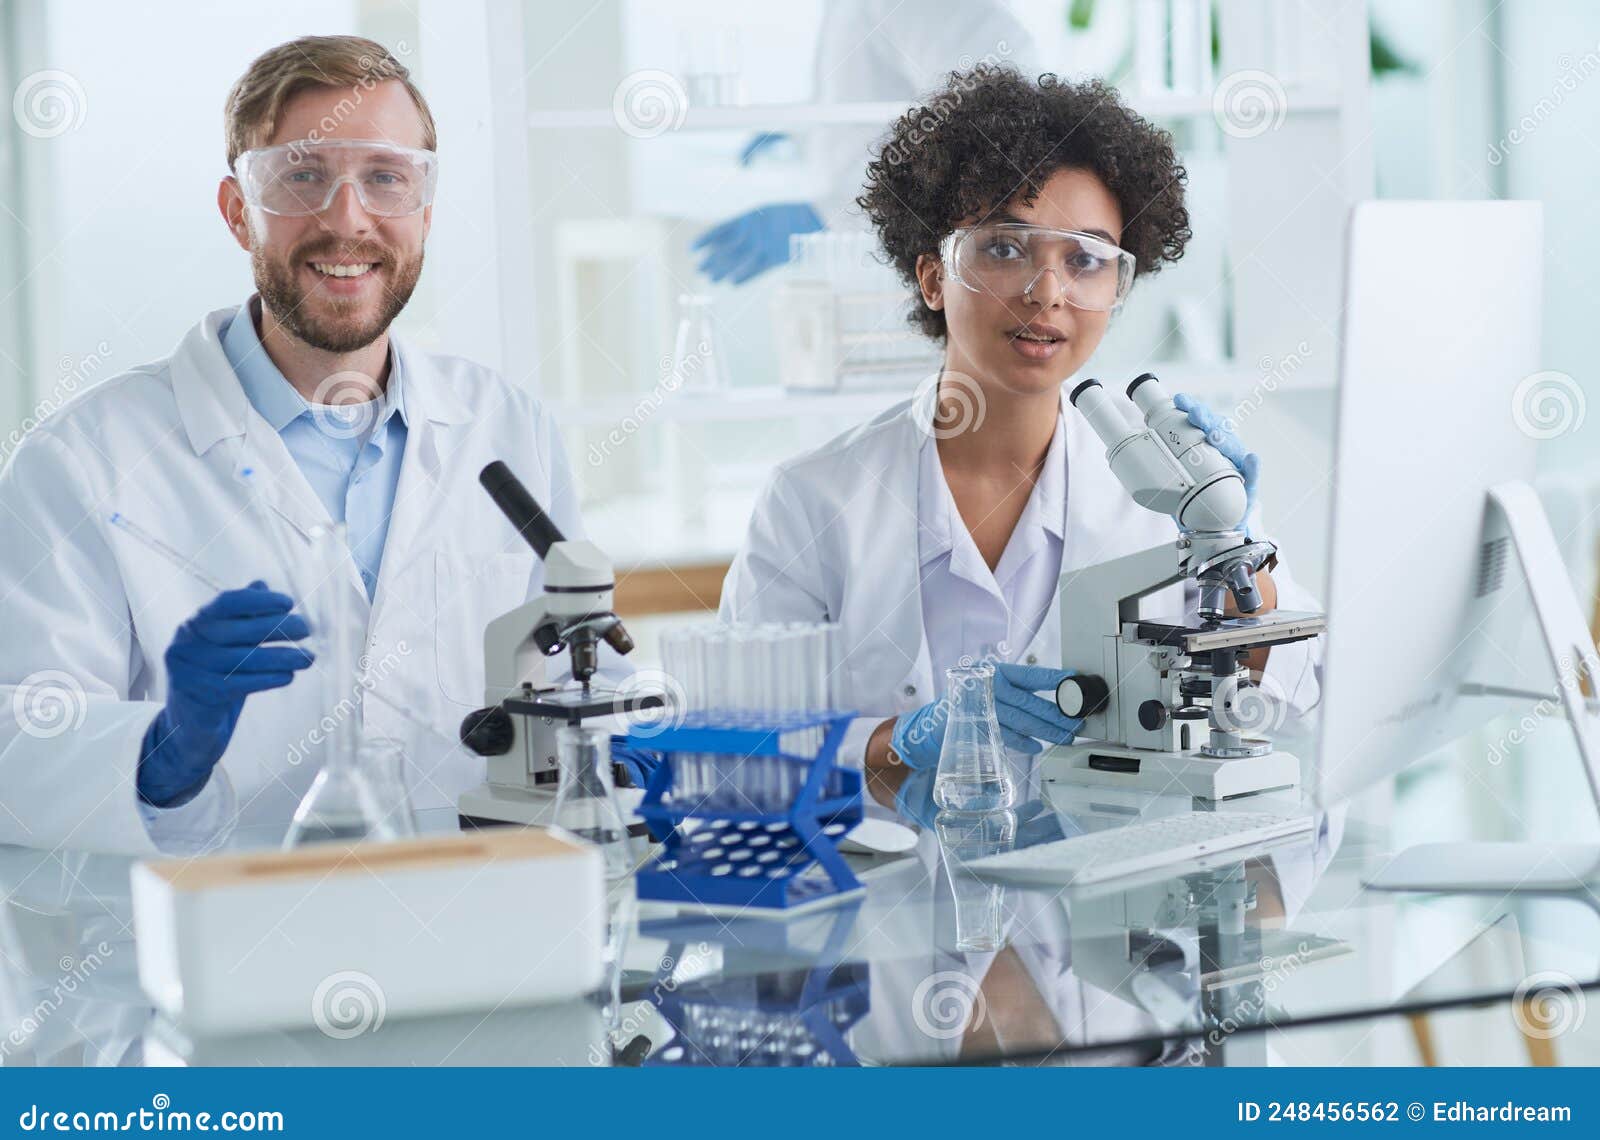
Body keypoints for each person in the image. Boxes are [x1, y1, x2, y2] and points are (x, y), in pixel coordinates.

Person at [0, 36, 600, 856]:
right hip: (214, 959)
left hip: (482, 934)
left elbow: (577, 676)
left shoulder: (507, 427)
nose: (346, 218)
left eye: (386, 178)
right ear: (238, 209)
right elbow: (20, 755)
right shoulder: (81, 462)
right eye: (302, 175)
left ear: (425, 210)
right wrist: (162, 751)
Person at [719, 66, 1324, 824]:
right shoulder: (814, 501)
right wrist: (897, 741)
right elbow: (735, 754)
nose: (1047, 292)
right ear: (934, 277)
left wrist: (1237, 552)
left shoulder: (1167, 498)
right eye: (1006, 248)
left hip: (1108, 916)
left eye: (1086, 259)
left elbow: (1304, 702)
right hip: (885, 921)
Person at [692, 0, 1036, 283]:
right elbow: (877, 100)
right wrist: (805, 136)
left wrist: (831, 216)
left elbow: (986, 130)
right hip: (869, 264)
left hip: (915, 271)